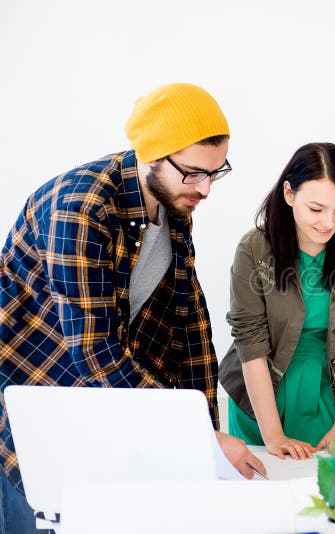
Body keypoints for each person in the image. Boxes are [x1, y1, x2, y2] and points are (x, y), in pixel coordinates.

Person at [0, 83, 265, 534]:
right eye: (194, 173)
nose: (205, 189)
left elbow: (191, 328)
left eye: (215, 173)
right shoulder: (80, 205)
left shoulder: (174, 207)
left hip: (105, 414)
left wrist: (209, 442)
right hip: (33, 409)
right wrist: (200, 437)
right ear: (153, 153)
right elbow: (94, 349)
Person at [219, 142, 335, 459]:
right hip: (261, 396)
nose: (329, 222)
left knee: (331, 496)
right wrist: (273, 435)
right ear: (289, 194)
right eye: (316, 209)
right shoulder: (254, 248)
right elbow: (249, 341)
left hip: (328, 392)